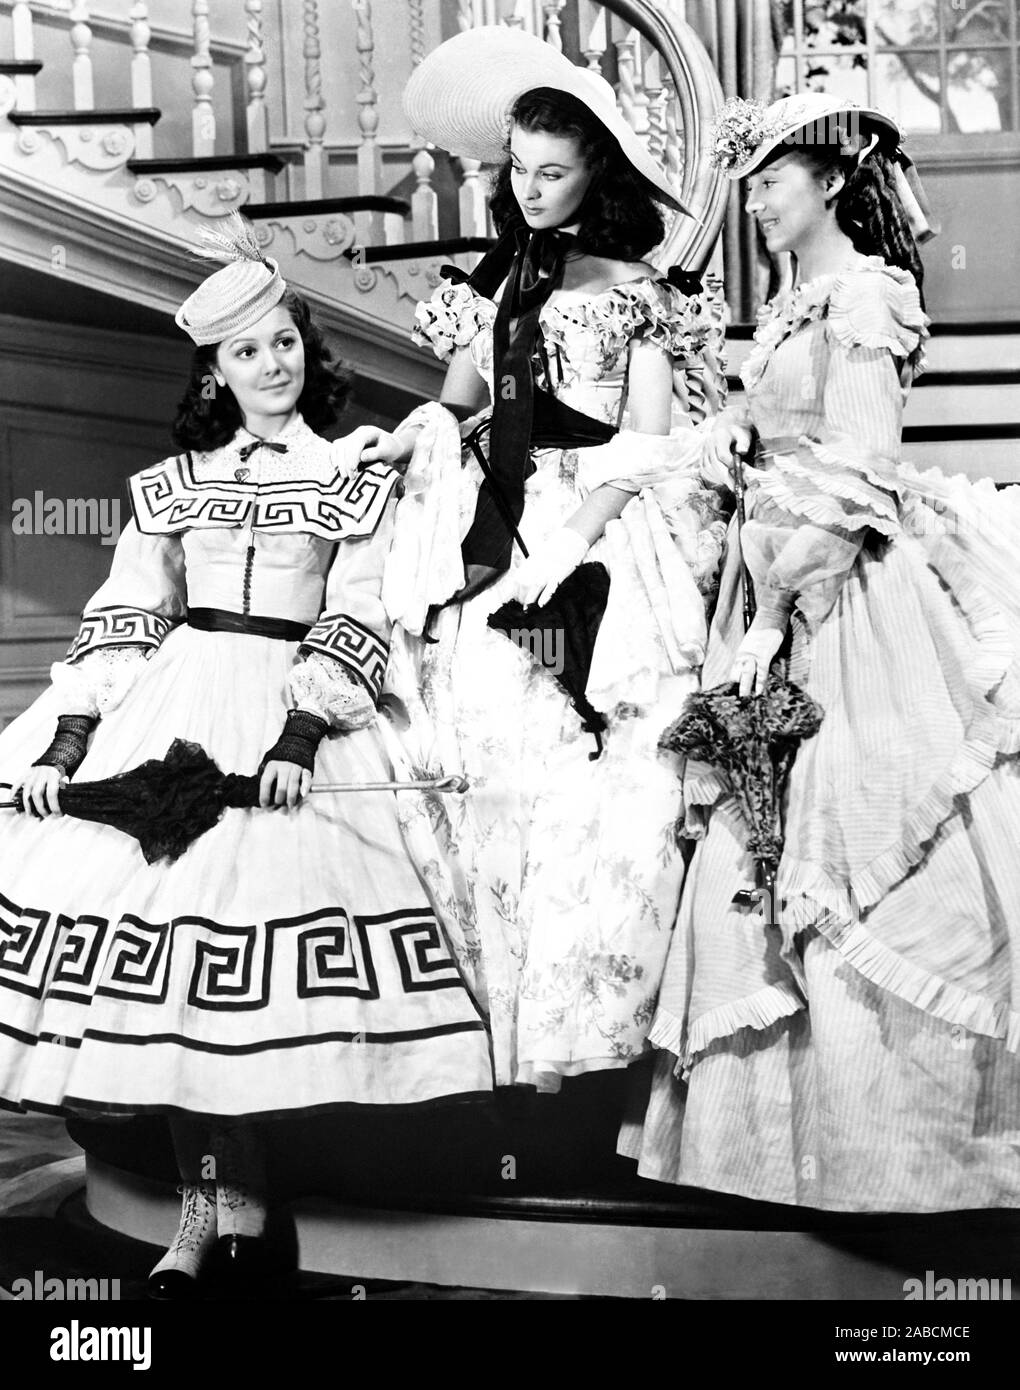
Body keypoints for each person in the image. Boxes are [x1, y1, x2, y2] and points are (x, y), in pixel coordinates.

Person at [0, 218, 492, 1295]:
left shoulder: (356, 475)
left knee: (241, 978)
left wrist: (302, 733)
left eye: (285, 343)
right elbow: (128, 614)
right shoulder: (170, 485)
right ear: (215, 374)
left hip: (288, 725)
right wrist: (72, 741)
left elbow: (358, 614)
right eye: (247, 353)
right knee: (168, 979)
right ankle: (196, 1210)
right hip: (170, 719)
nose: (274, 366)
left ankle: (246, 1196)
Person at [621, 92, 1020, 1211]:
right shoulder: (797, 305)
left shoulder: (868, 297)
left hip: (840, 601)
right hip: (772, 588)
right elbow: (795, 447)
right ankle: (778, 1156)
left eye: (771, 181)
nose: (756, 203)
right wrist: (734, 443)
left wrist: (770, 614)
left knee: (861, 831)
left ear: (831, 184)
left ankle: (912, 1160)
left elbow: (858, 473)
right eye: (749, 185)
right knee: (755, 845)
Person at [361, 26, 730, 1093]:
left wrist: (569, 543)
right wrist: (417, 433)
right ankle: (495, 1032)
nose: (529, 190)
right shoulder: (502, 275)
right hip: (498, 518)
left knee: (606, 780)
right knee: (480, 755)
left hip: (603, 528)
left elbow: (647, 447)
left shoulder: (636, 293)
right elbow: (462, 401)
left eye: (553, 173)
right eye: (517, 169)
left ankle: (591, 1040)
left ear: (594, 174)